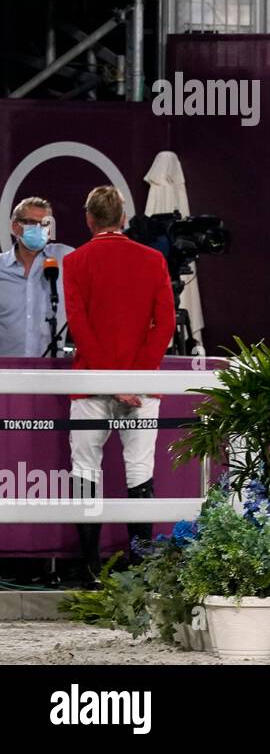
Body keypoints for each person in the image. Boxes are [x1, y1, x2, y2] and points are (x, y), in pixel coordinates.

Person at [63, 185, 175, 584]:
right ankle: (142, 571)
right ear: (123, 219)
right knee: (140, 469)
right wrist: (134, 379)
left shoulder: (75, 262)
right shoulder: (152, 260)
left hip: (92, 384)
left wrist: (110, 379)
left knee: (85, 470)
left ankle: (91, 570)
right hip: (140, 387)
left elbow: (80, 327)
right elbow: (165, 325)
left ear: (89, 219)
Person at [0, 197, 73, 357]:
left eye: (45, 224)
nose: (39, 228)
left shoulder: (65, 258)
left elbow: (98, 258)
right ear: (15, 227)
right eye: (32, 223)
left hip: (51, 373)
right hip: (6, 373)